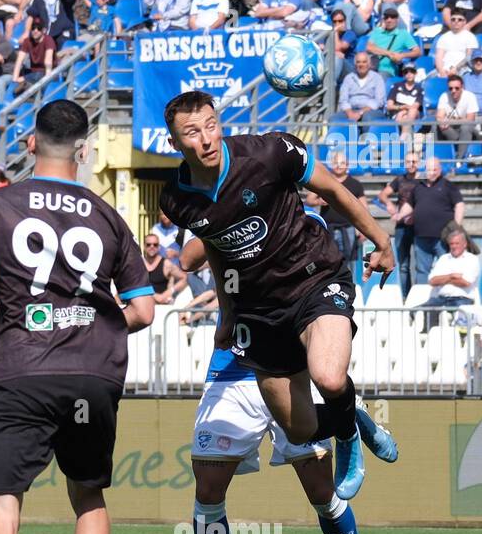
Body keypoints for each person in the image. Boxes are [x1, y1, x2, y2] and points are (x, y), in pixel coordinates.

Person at [0, 99, 157, 534]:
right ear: (84, 151)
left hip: (22, 368)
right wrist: (90, 322)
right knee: (88, 493)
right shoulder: (108, 214)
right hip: (92, 374)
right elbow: (143, 310)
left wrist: (19, 324)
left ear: (29, 144)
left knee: (3, 500)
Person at [159, 91, 398, 501]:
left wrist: (381, 240)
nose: (206, 139)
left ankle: (346, 437)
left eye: (211, 125)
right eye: (192, 132)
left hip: (315, 277)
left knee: (328, 375)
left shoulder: (270, 152)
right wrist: (228, 313)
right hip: (260, 310)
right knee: (298, 428)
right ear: (174, 143)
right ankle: (351, 418)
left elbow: (336, 191)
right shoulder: (176, 198)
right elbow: (217, 248)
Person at [177, 222, 385, 534]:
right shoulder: (234, 214)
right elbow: (188, 260)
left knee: (322, 491)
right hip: (233, 367)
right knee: (208, 490)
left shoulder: (309, 222)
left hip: (289, 370)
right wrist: (220, 218)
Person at [404, 157, 465, 289]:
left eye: (434, 169)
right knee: (421, 270)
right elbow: (409, 205)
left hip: (442, 237)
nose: (431, 172)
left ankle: (445, 298)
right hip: (421, 237)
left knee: (446, 269)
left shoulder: (449, 186)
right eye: (429, 169)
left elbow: (459, 205)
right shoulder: (418, 187)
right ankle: (422, 302)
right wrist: (399, 215)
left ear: (440, 170)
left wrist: (456, 227)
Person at [379, 150, 421, 297]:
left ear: (419, 163)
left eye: (414, 161)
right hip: (402, 227)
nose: (411, 164)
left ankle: (419, 296)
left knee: (421, 265)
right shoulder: (400, 179)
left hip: (419, 227)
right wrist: (389, 205)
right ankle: (406, 297)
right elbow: (383, 194)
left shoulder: (424, 181)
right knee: (403, 265)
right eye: (408, 161)